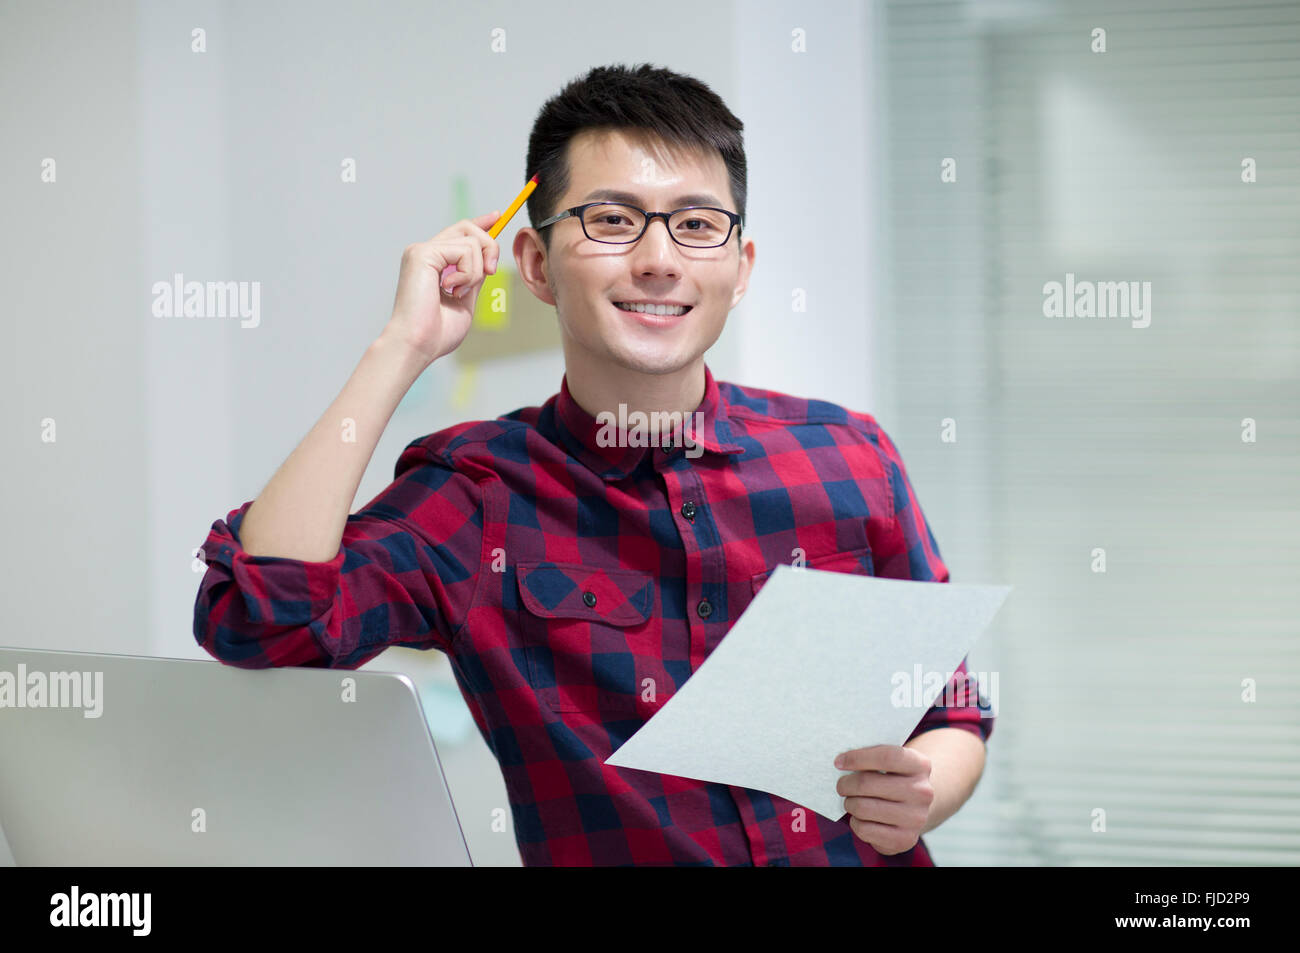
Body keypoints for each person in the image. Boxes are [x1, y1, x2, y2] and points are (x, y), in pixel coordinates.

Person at [193, 63, 992, 866]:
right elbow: (265, 621)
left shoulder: (849, 455)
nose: (658, 259)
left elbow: (951, 708)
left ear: (740, 267)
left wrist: (926, 787)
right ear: (535, 265)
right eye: (612, 220)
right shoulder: (477, 495)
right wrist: (400, 349)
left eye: (697, 225)